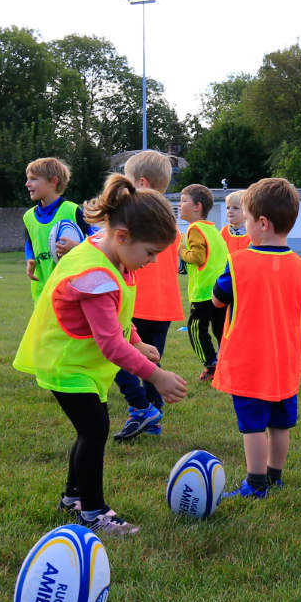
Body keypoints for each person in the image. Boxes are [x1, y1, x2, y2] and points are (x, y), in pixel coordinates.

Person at [12, 173, 188, 538]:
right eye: (151, 253)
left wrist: (137, 339)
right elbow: (109, 342)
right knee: (95, 429)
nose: (152, 262)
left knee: (89, 430)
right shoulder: (94, 274)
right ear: (123, 236)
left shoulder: (113, 253)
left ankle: (72, 498)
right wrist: (156, 376)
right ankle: (93, 511)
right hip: (66, 361)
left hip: (81, 362)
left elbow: (116, 318)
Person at [211, 177, 301, 499]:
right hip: (284, 360)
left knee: (253, 425)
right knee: (280, 424)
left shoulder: (239, 261)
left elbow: (217, 299)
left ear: (262, 222)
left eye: (245, 218)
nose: (242, 225)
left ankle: (255, 484)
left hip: (249, 362)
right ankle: (275, 476)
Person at [112, 150, 184, 441]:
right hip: (165, 306)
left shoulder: (140, 219)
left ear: (141, 182)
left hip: (138, 303)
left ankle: (140, 408)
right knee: (152, 363)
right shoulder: (170, 220)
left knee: (117, 358)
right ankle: (153, 418)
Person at [178, 183, 231, 382]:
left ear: (197, 207)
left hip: (204, 291)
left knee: (196, 329)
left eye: (184, 201)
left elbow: (198, 257)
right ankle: (227, 363)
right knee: (220, 330)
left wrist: (181, 252)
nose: (180, 204)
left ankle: (211, 365)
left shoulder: (194, 229)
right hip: (220, 290)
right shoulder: (213, 230)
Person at [22, 157, 91, 303]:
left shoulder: (72, 211)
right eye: (28, 179)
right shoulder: (28, 217)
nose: (27, 184)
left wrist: (78, 247)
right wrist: (30, 258)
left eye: (33, 179)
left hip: (69, 291)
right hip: (42, 291)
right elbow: (29, 241)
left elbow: (96, 239)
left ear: (53, 181)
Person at [220, 190, 250, 255]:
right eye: (228, 208)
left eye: (235, 208)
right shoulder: (224, 231)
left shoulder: (252, 233)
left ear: (247, 211)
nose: (230, 211)